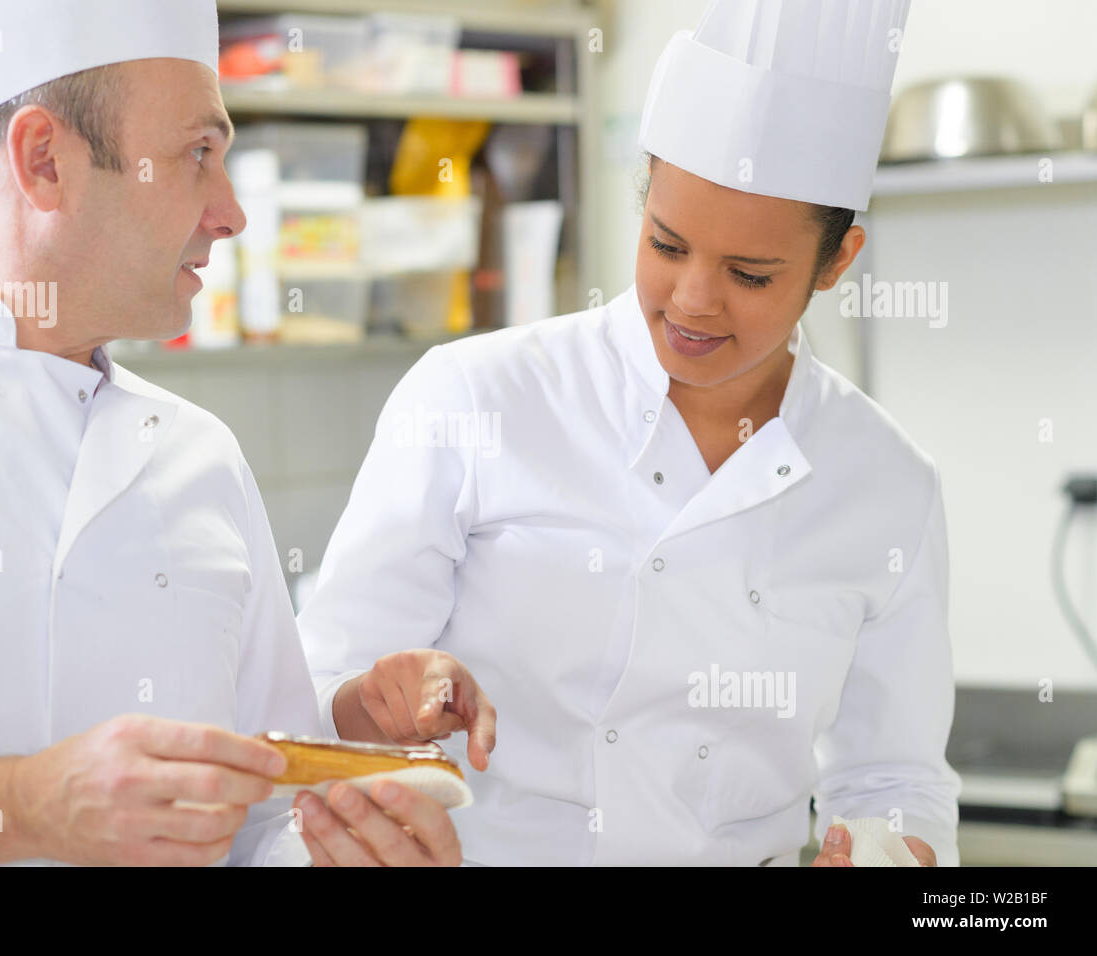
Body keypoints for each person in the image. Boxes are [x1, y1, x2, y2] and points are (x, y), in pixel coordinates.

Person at [298, 0, 962, 866]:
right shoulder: (472, 397)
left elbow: (895, 782)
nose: (691, 299)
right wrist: (369, 700)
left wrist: (892, 854)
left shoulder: (886, 485)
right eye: (667, 243)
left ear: (838, 262)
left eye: (750, 275)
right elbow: (316, 701)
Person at [0, 0, 460, 868]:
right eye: (198, 155)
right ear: (44, 163)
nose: (231, 212)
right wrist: (27, 805)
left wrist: (347, 846)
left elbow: (267, 822)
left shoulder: (200, 456)